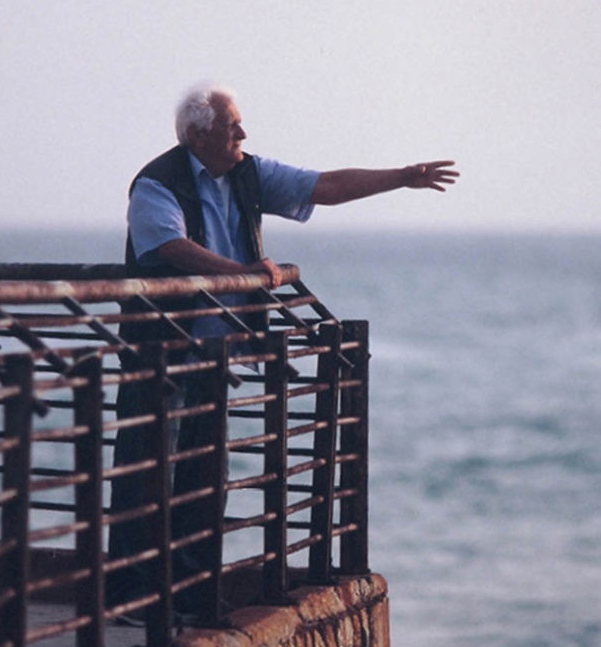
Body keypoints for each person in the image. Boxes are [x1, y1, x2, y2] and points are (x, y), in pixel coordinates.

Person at [109, 83, 456, 612]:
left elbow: (326, 186)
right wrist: (243, 273)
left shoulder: (246, 173)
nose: (243, 134)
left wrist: (402, 177)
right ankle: (134, 601)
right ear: (199, 135)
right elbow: (170, 247)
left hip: (216, 355)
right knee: (148, 477)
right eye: (231, 126)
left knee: (205, 481)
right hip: (160, 352)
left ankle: (190, 596)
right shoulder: (156, 183)